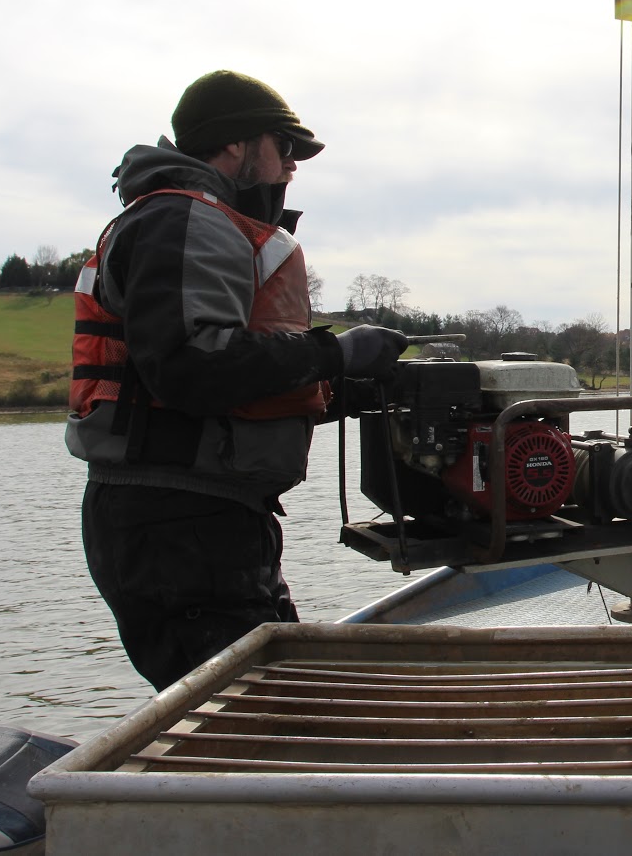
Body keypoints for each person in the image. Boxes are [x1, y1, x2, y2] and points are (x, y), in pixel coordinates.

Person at [66, 70, 407, 690]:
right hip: (180, 524)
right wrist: (334, 353)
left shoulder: (191, 221)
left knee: (277, 700)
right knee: (267, 716)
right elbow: (190, 368)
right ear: (233, 144)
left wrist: (352, 384)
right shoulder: (184, 219)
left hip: (200, 519)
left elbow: (224, 386)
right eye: (285, 146)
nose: (293, 165)